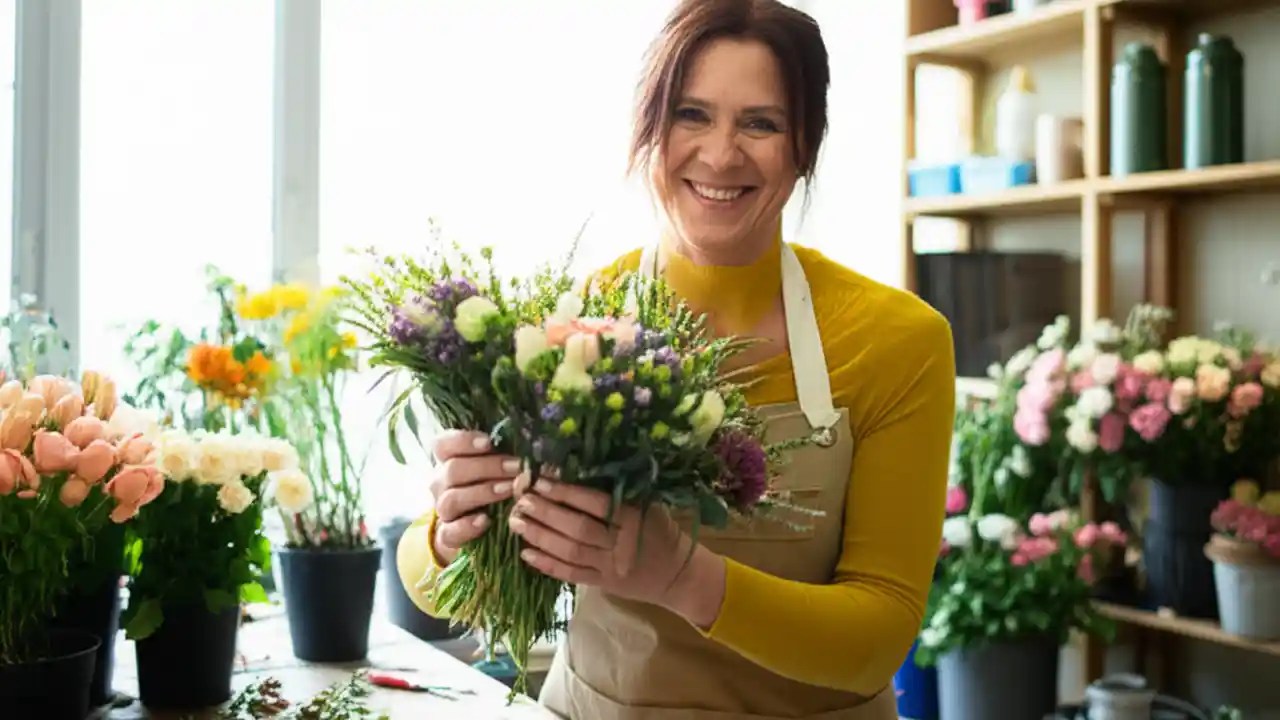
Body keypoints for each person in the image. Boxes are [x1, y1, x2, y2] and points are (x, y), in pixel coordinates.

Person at [396, 0, 956, 717]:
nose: (721, 155)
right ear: (649, 129)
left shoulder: (897, 339)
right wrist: (452, 531)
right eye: (692, 115)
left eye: (762, 122)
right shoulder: (567, 327)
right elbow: (458, 585)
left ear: (805, 147)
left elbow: (879, 638)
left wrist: (683, 578)